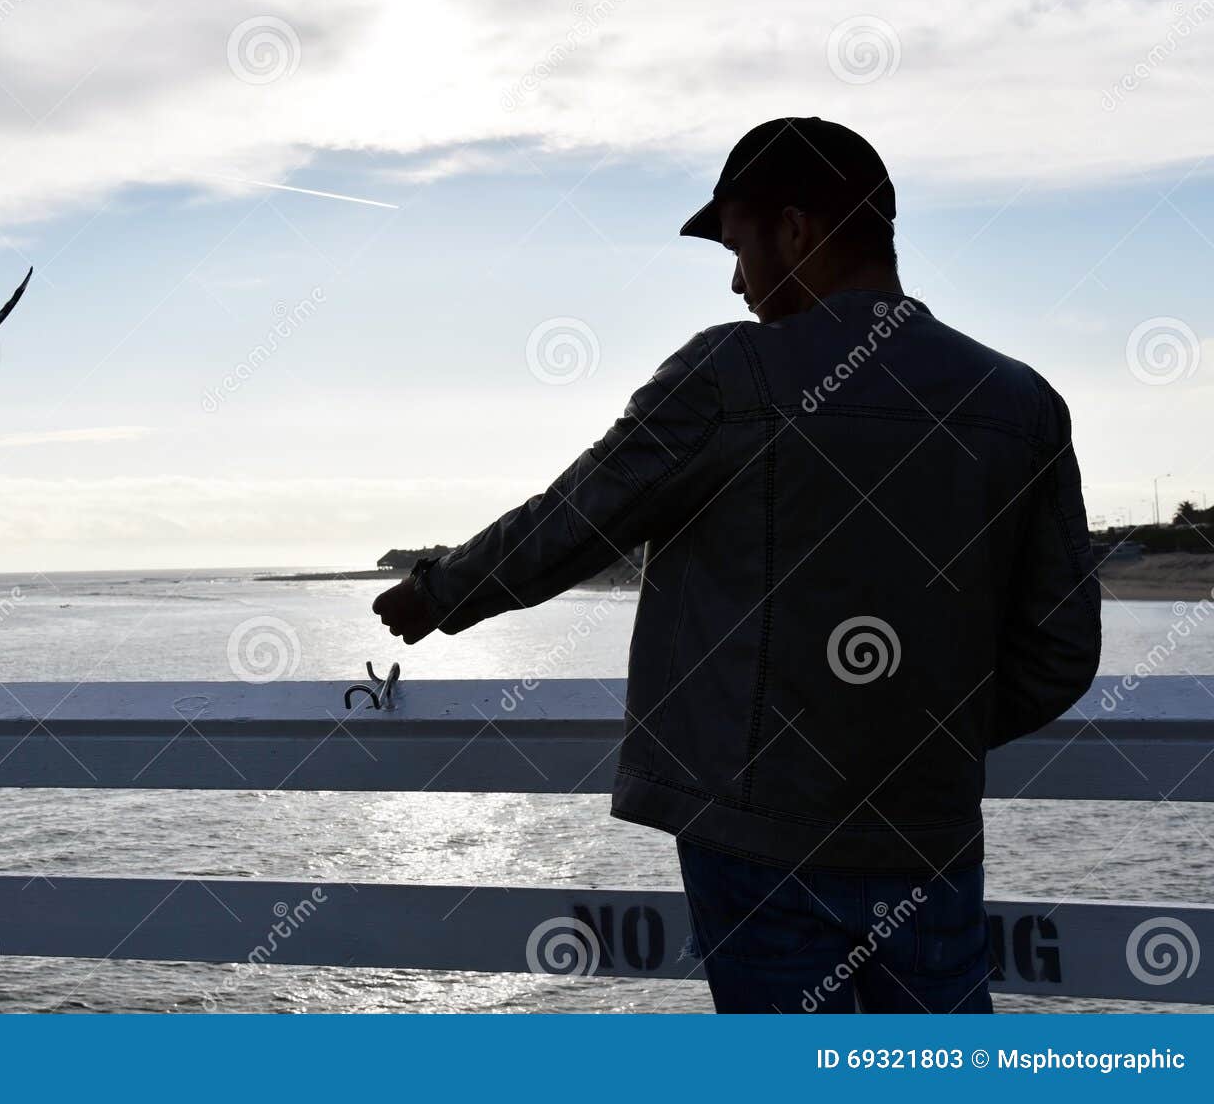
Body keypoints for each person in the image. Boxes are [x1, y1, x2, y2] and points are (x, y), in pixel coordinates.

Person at [370, 118, 1101, 1013]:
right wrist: (912, 736)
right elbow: (1060, 649)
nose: (734, 279)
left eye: (738, 243)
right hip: (926, 832)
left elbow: (578, 519)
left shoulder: (736, 374)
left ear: (795, 229)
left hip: (757, 838)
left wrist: (442, 590)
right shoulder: (1020, 401)